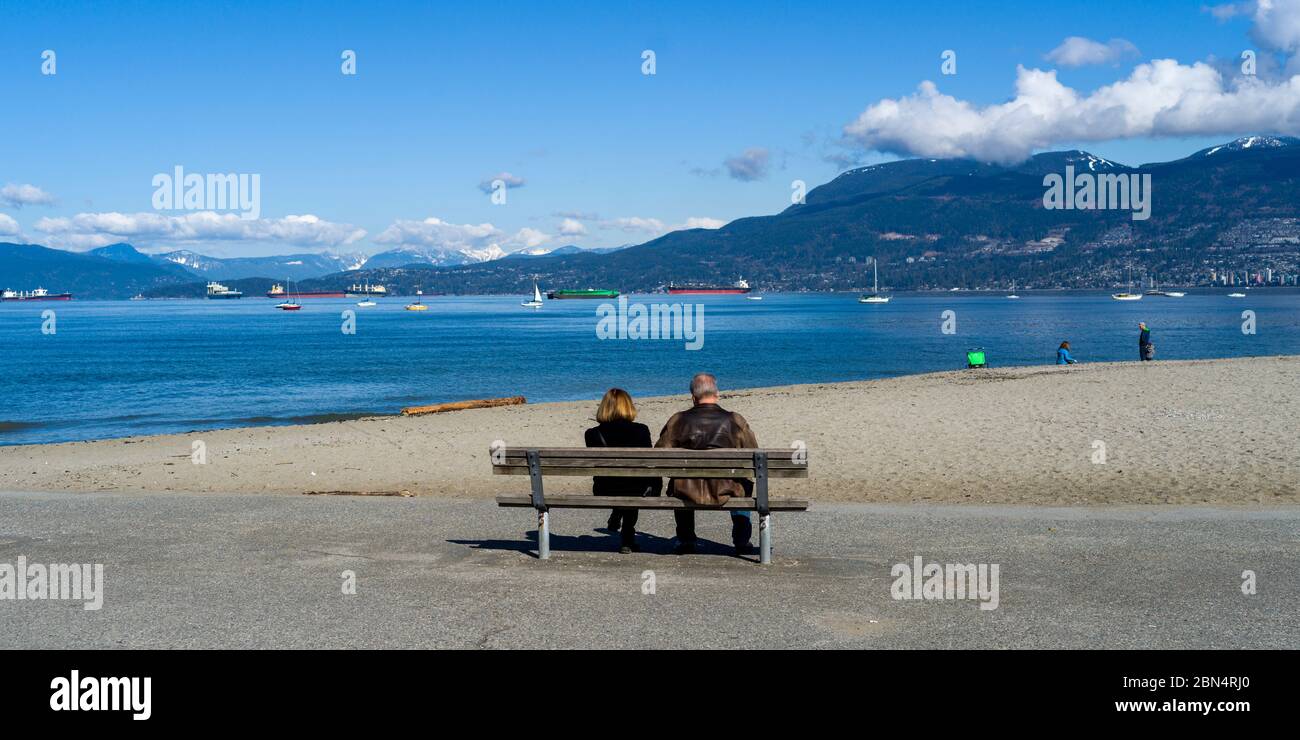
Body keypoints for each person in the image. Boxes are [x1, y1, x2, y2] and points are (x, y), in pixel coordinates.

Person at [655, 373, 758, 556]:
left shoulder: (678, 420)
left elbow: (659, 454)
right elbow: (753, 454)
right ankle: (742, 540)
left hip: (686, 489)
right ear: (717, 394)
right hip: (728, 488)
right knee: (743, 482)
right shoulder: (735, 420)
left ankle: (686, 539)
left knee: (678, 482)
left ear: (693, 397)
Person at [584, 388, 661, 554]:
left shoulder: (591, 434)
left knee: (621, 483)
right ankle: (627, 539)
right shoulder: (641, 430)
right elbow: (648, 462)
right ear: (628, 407)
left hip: (604, 488)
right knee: (631, 485)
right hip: (636, 488)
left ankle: (618, 514)